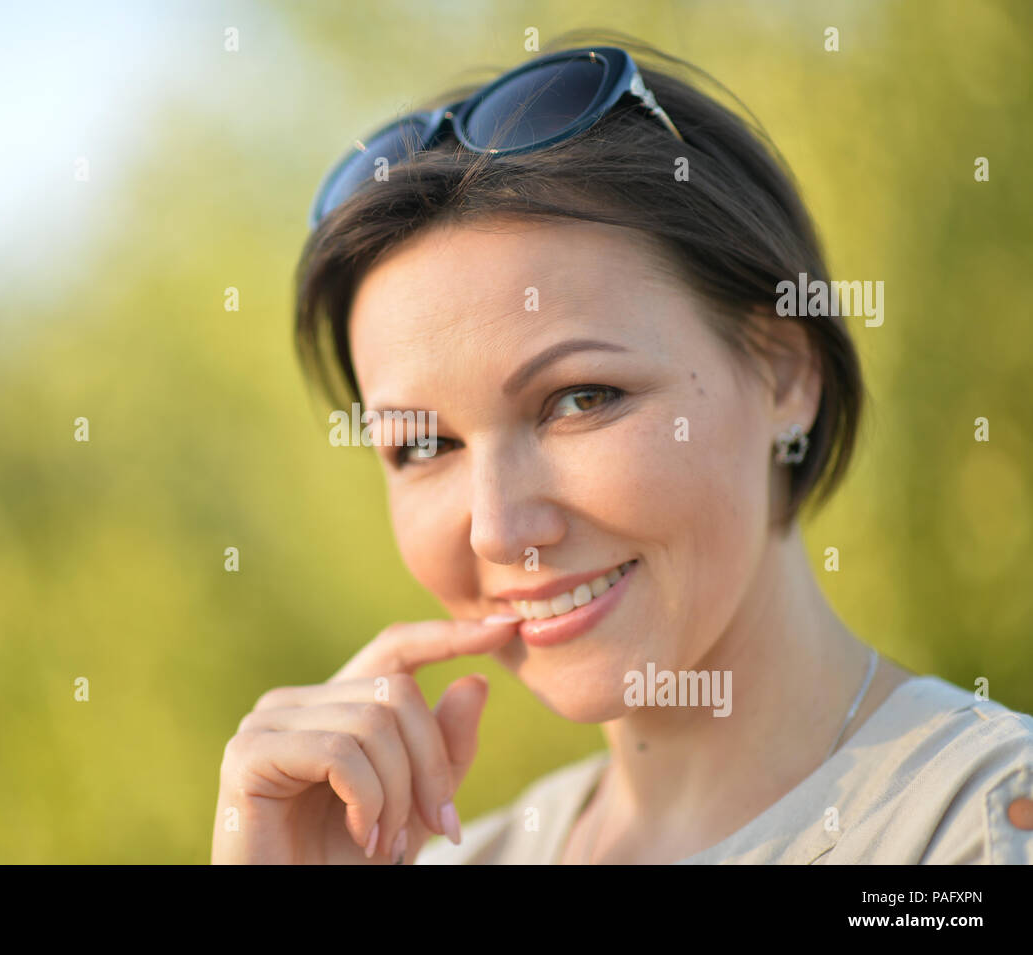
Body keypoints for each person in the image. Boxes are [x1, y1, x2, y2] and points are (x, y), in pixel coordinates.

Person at [210, 30, 1033, 864]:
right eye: (424, 445)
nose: (498, 529)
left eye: (580, 399)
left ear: (786, 373)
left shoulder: (983, 821)